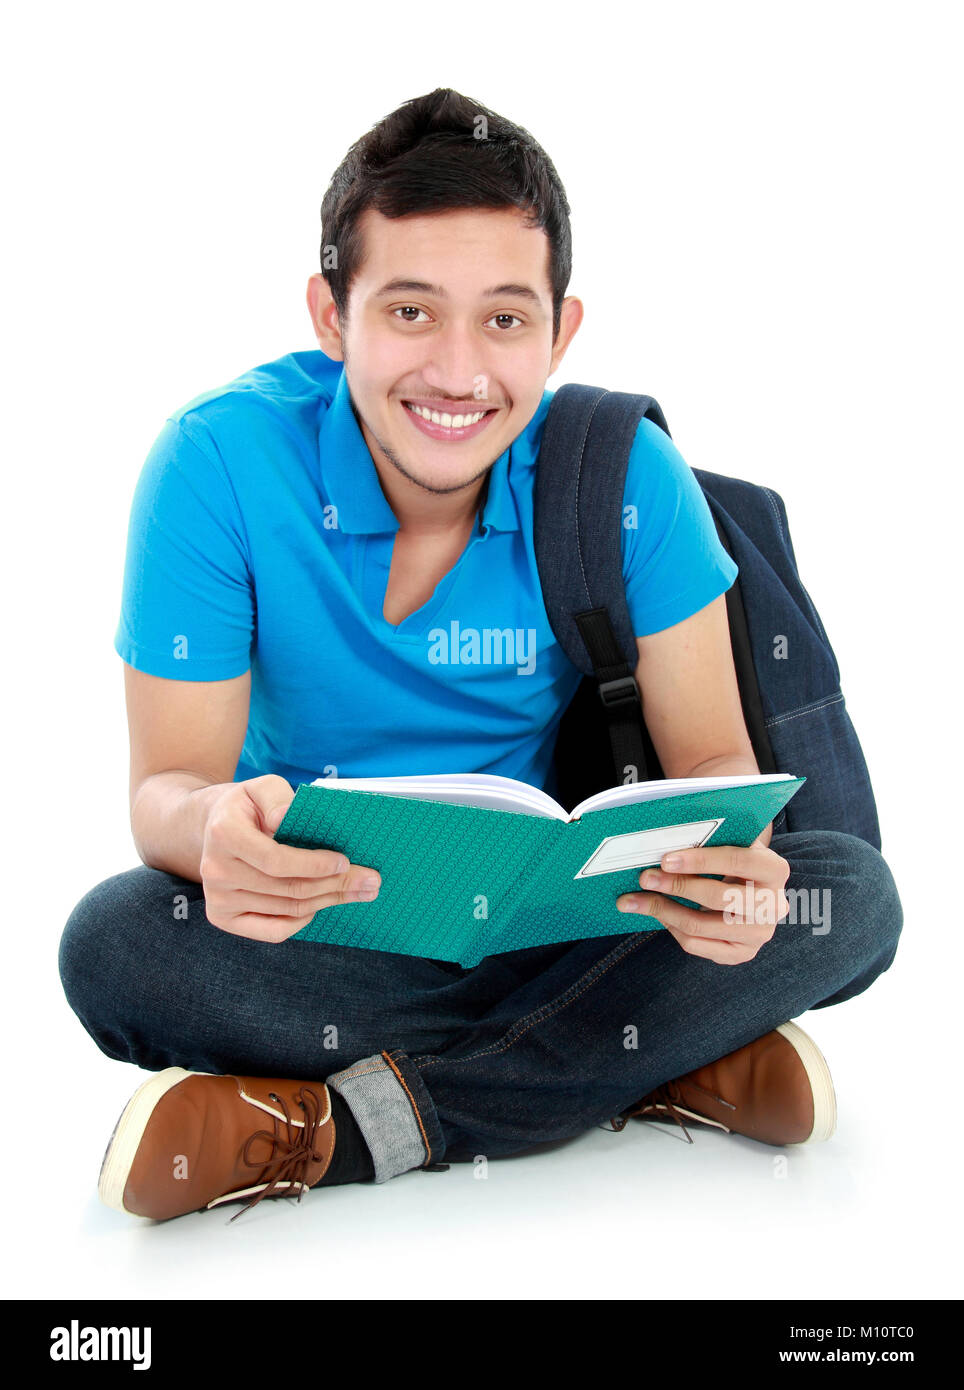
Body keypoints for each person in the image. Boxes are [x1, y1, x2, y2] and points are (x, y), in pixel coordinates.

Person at [58, 87, 903, 1223]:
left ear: (561, 330)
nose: (458, 373)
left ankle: (342, 1130)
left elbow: (714, 770)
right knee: (116, 944)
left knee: (843, 898)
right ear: (329, 313)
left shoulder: (626, 479)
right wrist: (211, 833)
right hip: (330, 926)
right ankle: (641, 1062)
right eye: (410, 312)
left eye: (504, 320)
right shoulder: (216, 465)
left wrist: (730, 887)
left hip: (571, 919)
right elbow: (166, 791)